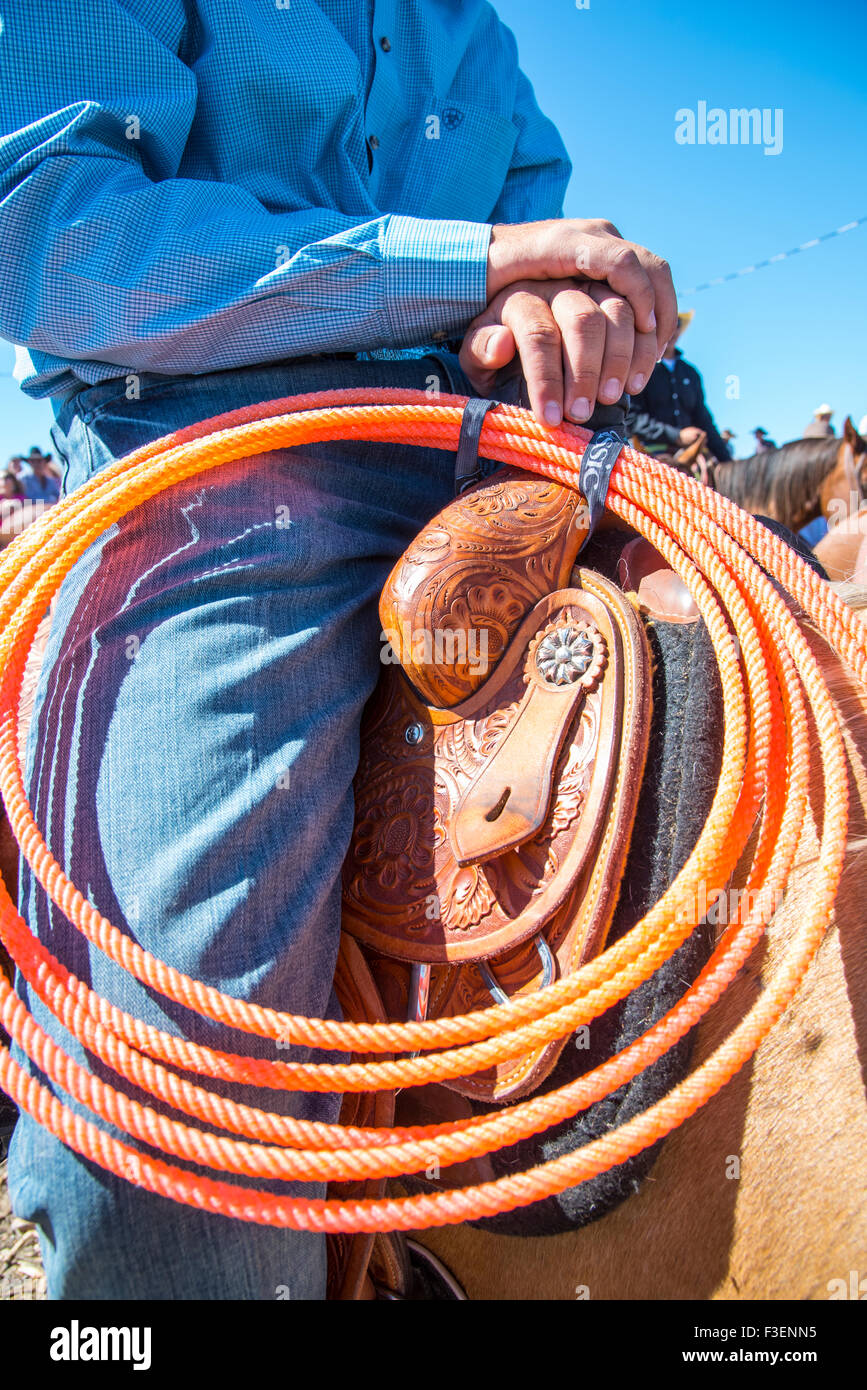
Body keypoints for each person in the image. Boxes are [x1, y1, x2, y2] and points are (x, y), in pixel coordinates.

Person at [0, 1, 677, 1302]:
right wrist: (449, 268)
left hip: (496, 458)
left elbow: (513, 265)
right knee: (179, 1054)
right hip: (226, 479)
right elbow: (47, 235)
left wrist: (545, 316)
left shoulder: (472, 35)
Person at [626, 310, 732, 462]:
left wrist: (726, 460)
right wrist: (677, 436)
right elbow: (633, 418)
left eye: (676, 325)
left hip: (692, 452)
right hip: (648, 451)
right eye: (665, 324)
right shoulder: (641, 366)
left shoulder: (691, 373)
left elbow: (703, 418)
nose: (671, 330)